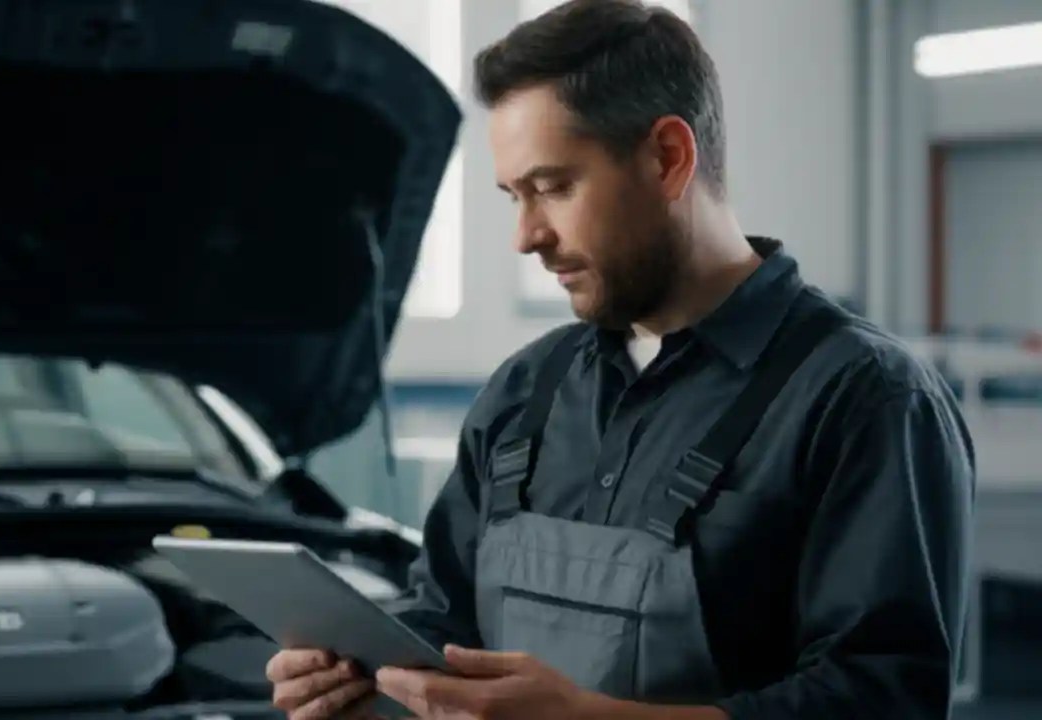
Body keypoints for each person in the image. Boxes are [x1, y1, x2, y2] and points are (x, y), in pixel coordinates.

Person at [266, 0, 976, 717]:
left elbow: (885, 699)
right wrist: (361, 675)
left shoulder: (864, 398)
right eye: (514, 196)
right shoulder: (524, 391)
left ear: (668, 158)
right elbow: (445, 621)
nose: (526, 237)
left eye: (552, 187)